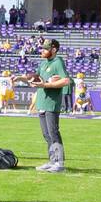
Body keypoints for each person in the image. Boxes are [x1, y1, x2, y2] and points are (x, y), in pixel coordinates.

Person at [25, 38, 71, 173]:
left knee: (53, 133)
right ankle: (52, 161)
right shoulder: (44, 63)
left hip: (51, 104)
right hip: (42, 102)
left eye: (45, 48)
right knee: (46, 135)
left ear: (54, 49)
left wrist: (46, 84)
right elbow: (36, 77)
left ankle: (59, 163)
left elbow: (66, 80)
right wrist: (20, 78)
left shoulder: (58, 62)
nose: (42, 50)